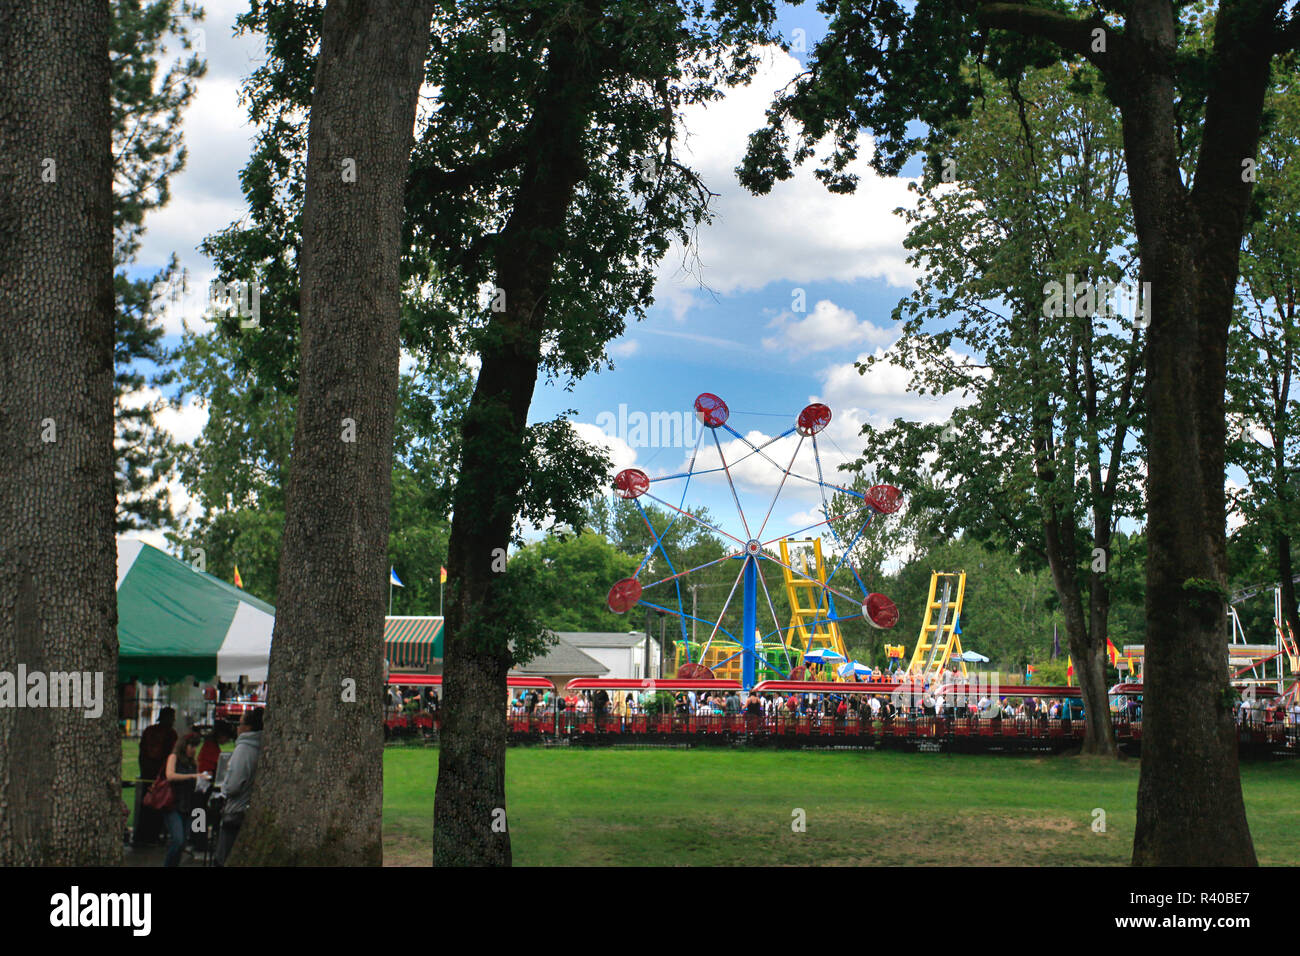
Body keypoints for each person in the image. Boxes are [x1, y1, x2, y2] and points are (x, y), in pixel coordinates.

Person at [215, 708, 264, 867]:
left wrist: (225, 789)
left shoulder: (244, 749)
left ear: (247, 728)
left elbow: (234, 784)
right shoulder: (258, 748)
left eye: (239, 723)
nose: (236, 727)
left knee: (224, 856)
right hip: (246, 807)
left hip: (235, 810)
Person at [134, 707, 178, 846]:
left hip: (147, 771)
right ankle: (153, 836)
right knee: (159, 804)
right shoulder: (170, 734)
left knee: (147, 804)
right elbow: (171, 754)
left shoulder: (149, 731)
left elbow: (142, 751)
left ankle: (142, 836)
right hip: (160, 774)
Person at [162, 734, 207, 867]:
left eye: (195, 747)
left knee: (182, 843)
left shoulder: (193, 762)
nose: (193, 750)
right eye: (191, 746)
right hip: (173, 804)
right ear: (184, 746)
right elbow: (170, 775)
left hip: (188, 805)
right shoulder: (173, 757)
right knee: (177, 839)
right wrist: (192, 776)